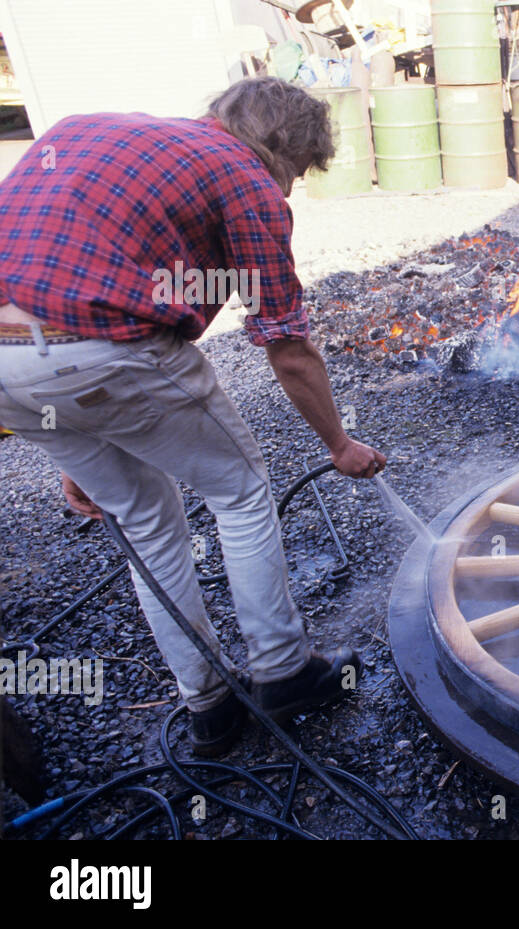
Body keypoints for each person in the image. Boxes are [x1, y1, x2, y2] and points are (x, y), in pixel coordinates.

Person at [0, 78, 386, 756]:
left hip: (9, 372)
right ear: (282, 150)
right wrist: (338, 442)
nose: (290, 189)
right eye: (296, 172)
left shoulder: (85, 126)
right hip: (103, 350)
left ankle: (209, 706)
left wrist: (70, 442)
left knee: (146, 524)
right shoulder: (246, 176)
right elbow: (287, 343)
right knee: (237, 492)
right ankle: (284, 669)